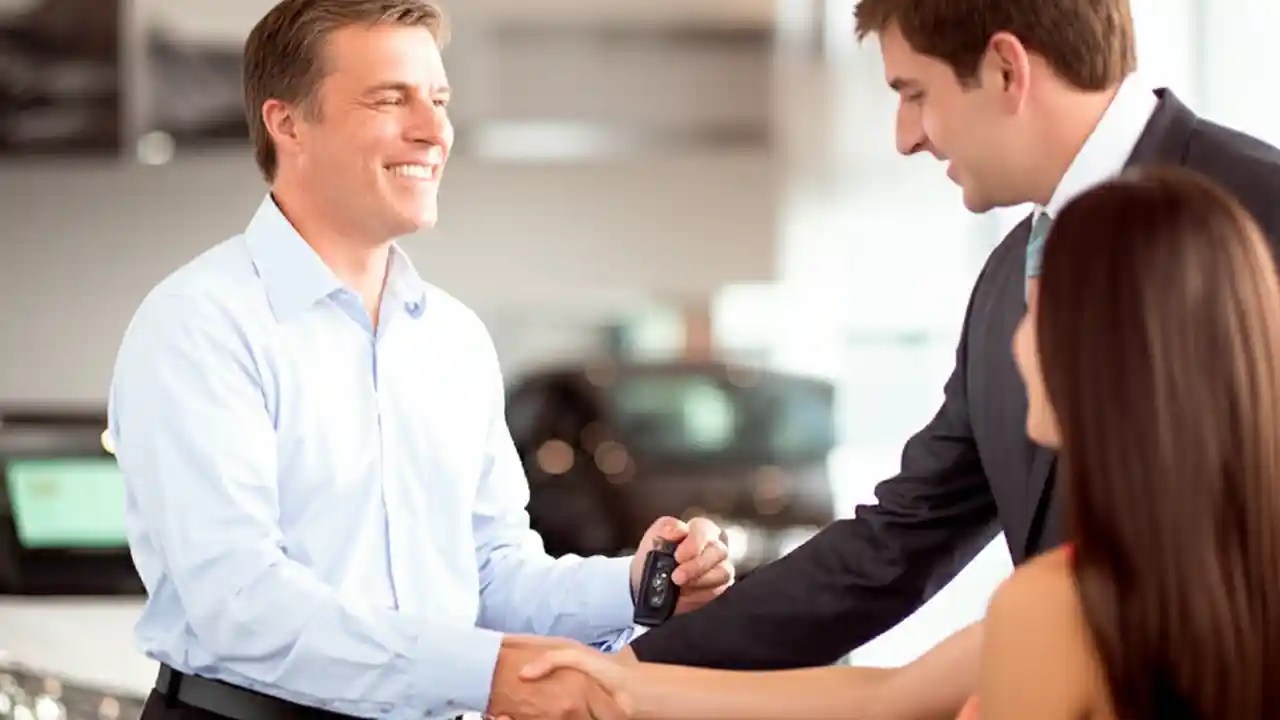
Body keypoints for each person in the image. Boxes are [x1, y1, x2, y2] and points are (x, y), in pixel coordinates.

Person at [108, 2, 735, 719]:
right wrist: (484, 672)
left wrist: (633, 586)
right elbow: (241, 603)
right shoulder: (201, 324)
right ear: (287, 123)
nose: (434, 130)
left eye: (438, 100)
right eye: (389, 98)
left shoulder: (453, 340)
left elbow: (490, 577)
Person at [619, 0, 1280, 677]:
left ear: (1003, 70)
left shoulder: (1266, 210)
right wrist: (630, 671)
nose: (906, 137)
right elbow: (899, 543)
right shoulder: (1005, 283)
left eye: (914, 94)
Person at [518, 167, 1280, 719]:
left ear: (1108, 350)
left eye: (1037, 317)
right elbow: (884, 696)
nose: (1015, 350)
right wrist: (608, 681)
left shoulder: (1065, 607)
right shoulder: (1214, 580)